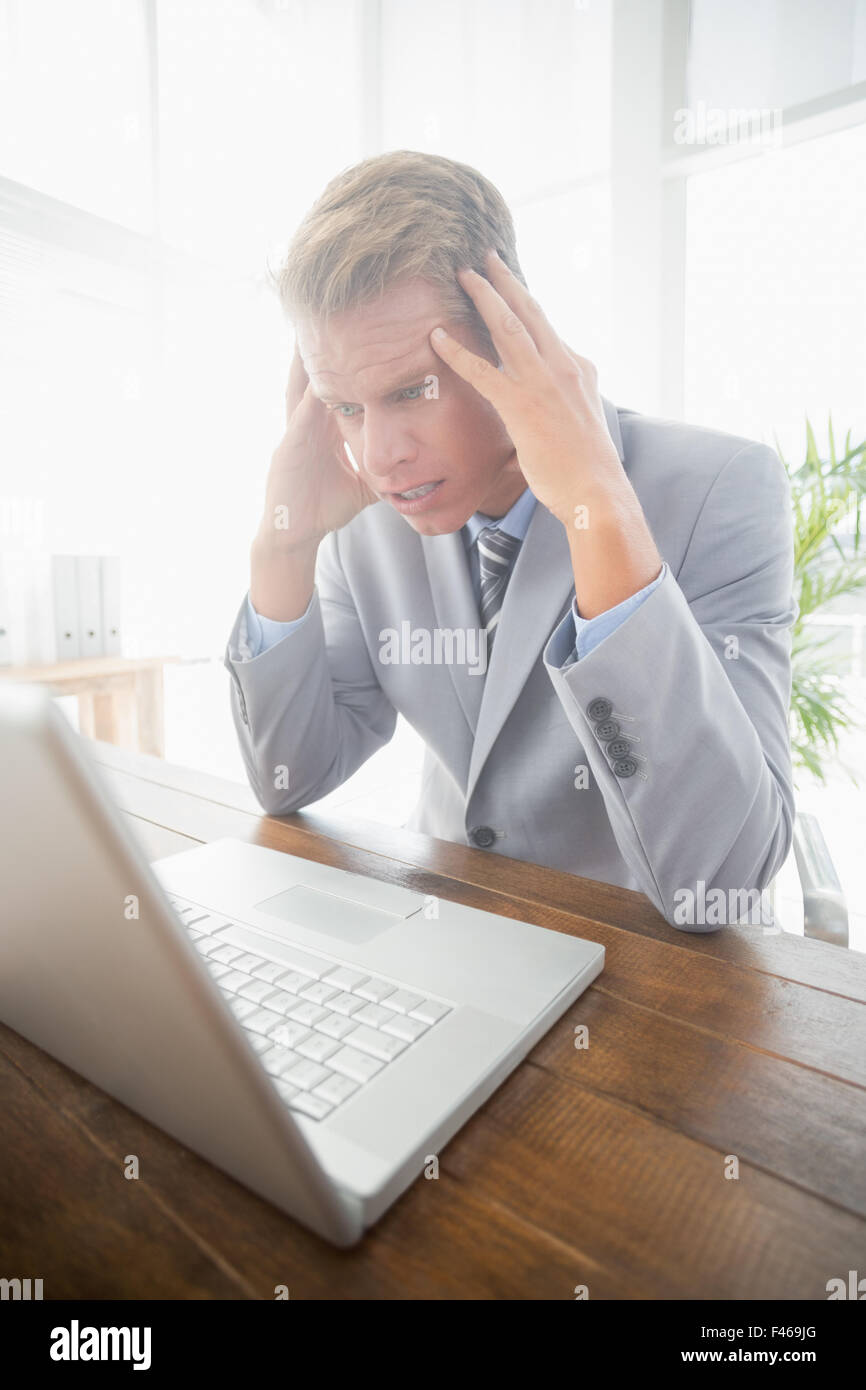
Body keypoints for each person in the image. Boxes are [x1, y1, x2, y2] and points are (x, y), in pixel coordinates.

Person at [224, 150, 796, 932]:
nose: (378, 455)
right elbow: (289, 776)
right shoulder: (365, 523)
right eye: (345, 408)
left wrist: (598, 507)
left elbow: (719, 878)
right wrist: (281, 547)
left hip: (649, 974)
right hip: (450, 940)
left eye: (408, 392)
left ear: (511, 336)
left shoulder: (722, 488)